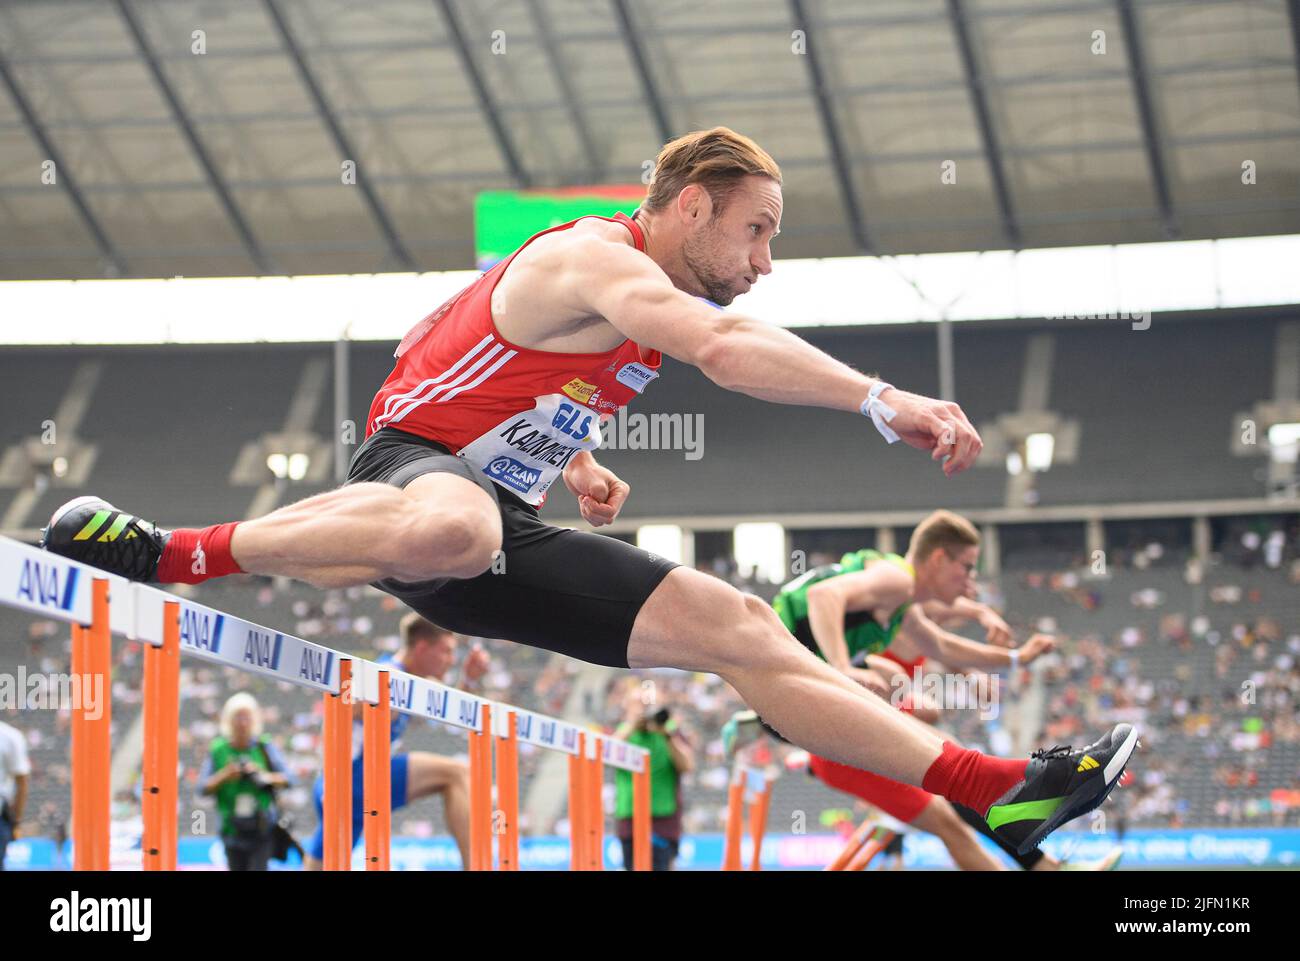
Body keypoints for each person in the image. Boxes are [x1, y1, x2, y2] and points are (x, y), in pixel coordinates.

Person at [41, 126, 1135, 854]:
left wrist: (573, 458)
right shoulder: (600, 260)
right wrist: (879, 399)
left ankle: (996, 786)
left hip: (489, 517)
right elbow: (721, 343)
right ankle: (172, 551)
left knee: (741, 622)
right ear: (693, 207)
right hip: (411, 479)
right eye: (758, 230)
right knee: (461, 521)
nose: (766, 260)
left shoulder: (614, 305)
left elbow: (521, 381)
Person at [725, 509, 1124, 869]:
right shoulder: (896, 577)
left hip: (790, 684)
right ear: (937, 558)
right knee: (945, 798)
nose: (970, 581)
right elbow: (823, 594)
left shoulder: (902, 605)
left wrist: (1018, 658)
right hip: (780, 680)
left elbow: (944, 644)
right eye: (966, 568)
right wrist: (843, 669)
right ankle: (1041, 855)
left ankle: (1038, 855)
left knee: (902, 700)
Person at [302, 613, 488, 870]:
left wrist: (469, 679)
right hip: (352, 778)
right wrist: (371, 708)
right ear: (422, 647)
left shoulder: (413, 681)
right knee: (457, 773)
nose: (451, 660)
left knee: (326, 859)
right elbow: (338, 707)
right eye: (446, 651)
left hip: (350, 784)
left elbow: (457, 713)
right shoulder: (388, 674)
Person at [200, 693, 293, 871]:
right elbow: (202, 788)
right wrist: (225, 775)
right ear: (229, 720)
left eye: (247, 717)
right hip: (231, 827)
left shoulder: (264, 746)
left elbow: (288, 779)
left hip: (262, 827)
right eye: (238, 717)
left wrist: (262, 775)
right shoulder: (219, 749)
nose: (242, 723)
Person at [612, 684, 694, 870]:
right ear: (628, 706)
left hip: (662, 819)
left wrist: (666, 734)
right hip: (631, 819)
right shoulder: (624, 731)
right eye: (640, 703)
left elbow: (687, 765)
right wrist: (632, 724)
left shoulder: (670, 731)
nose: (646, 709)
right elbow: (606, 753)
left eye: (650, 703)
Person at [0, 720, 30, 871]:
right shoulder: (9, 736)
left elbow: (22, 782)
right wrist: (16, 821)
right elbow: (22, 782)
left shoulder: (9, 736)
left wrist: (15, 820)